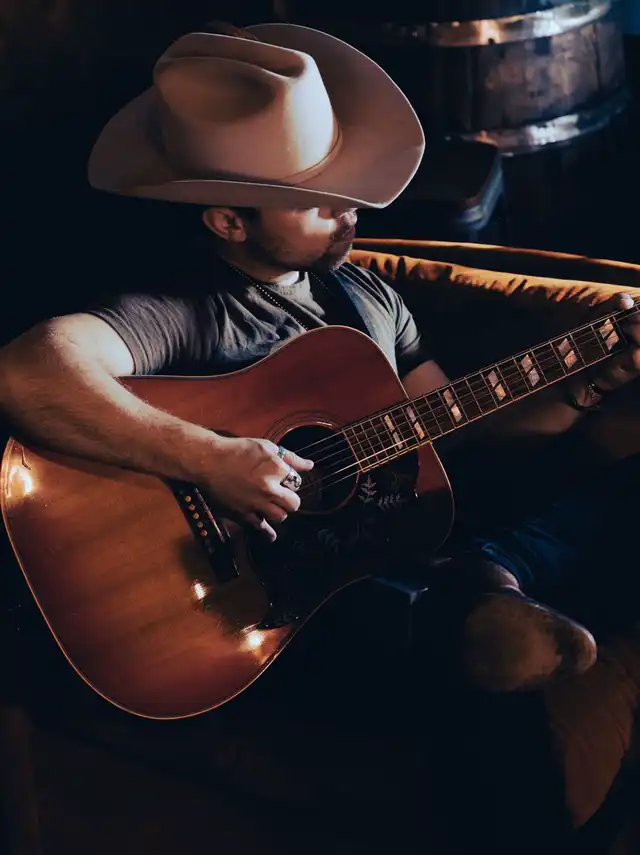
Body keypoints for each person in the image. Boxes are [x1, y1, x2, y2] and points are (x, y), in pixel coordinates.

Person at [1, 20, 640, 698]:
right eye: (315, 202)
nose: (350, 210)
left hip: (389, 554)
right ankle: (448, 610)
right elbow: (25, 372)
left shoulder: (368, 298)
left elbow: (455, 434)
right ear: (229, 222)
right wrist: (210, 459)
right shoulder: (186, 307)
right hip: (262, 592)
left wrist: (590, 383)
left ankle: (478, 585)